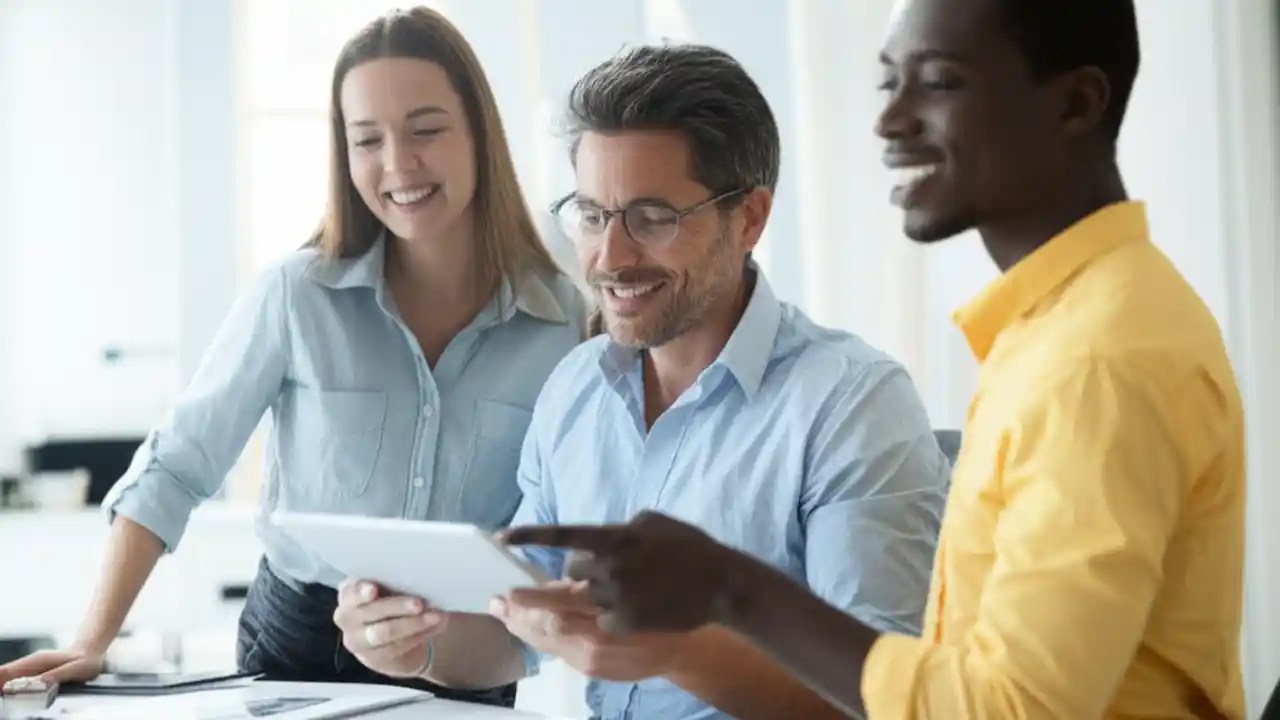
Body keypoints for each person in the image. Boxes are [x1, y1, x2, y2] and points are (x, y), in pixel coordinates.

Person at [502, 1, 1249, 718]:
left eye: (942, 81)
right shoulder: (1053, 329)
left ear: (1073, 104)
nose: (890, 122)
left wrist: (728, 590)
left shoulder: (1096, 359)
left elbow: (1007, 711)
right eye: (890, 82)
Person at [332, 44, 950, 719]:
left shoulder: (852, 403)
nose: (610, 257)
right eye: (592, 215)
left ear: (748, 218)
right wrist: (416, 647)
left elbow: (889, 702)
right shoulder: (575, 389)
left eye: (653, 218)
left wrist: (674, 653)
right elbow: (516, 629)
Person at [0, 7, 585, 709]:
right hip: (298, 647)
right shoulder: (295, 295)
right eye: (367, 139)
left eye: (426, 129)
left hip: (464, 656)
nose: (398, 163)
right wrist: (94, 641)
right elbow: (177, 465)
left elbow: (556, 537)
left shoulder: (564, 322)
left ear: (481, 136)